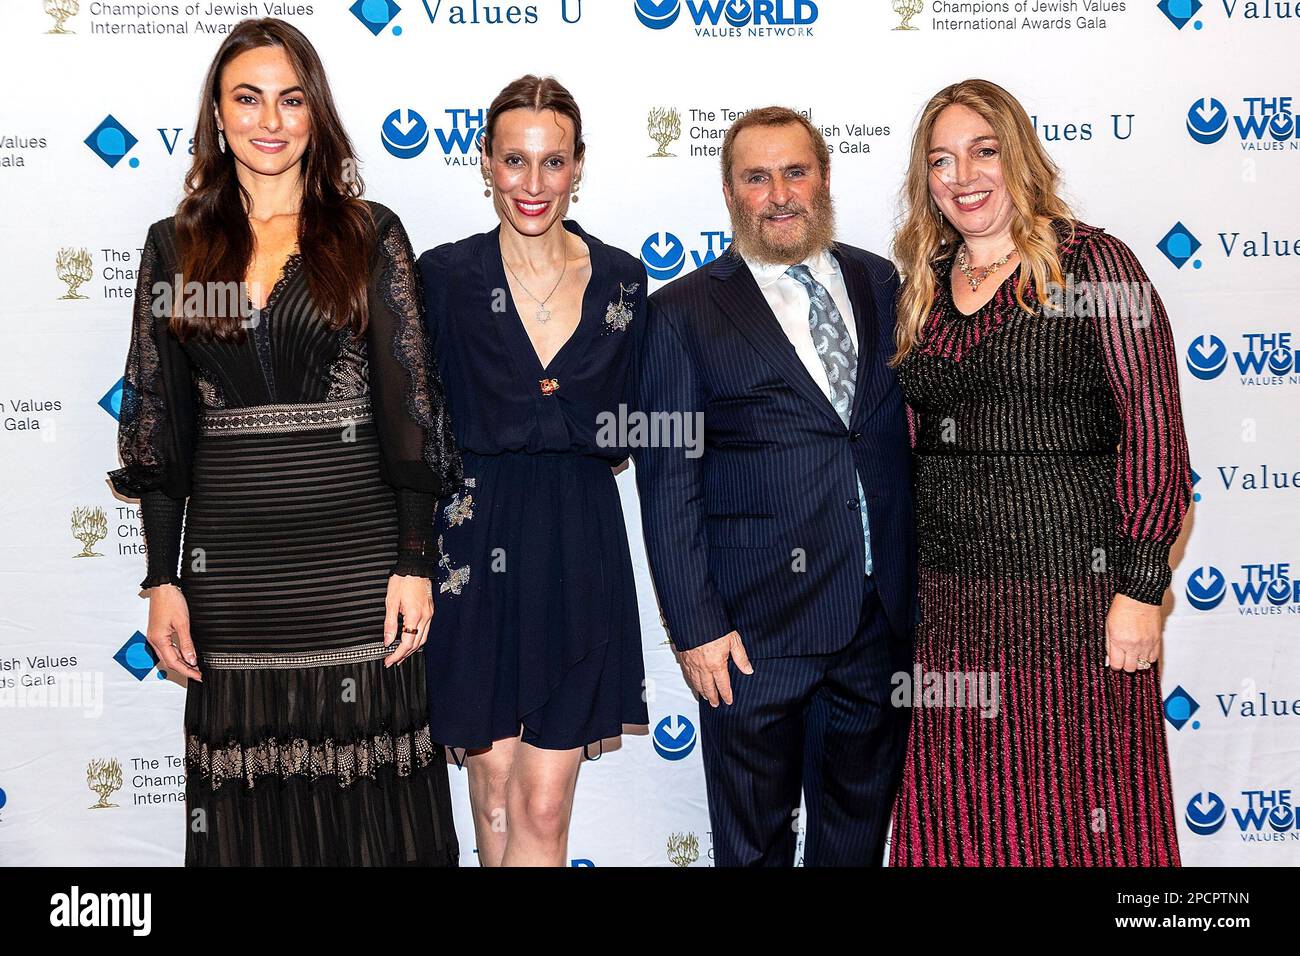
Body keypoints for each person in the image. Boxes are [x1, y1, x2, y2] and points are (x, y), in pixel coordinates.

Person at [106, 18, 462, 866]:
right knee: (248, 830)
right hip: (231, 585)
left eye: (291, 99)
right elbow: (162, 428)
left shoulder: (368, 232)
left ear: (316, 114)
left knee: (375, 825)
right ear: (218, 116)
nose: (270, 119)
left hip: (355, 572)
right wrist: (162, 578)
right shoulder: (178, 246)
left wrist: (415, 559)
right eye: (248, 98)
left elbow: (410, 409)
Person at [887, 79, 1191, 866]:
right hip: (954, 612)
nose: (963, 176)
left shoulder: (1093, 262)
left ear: (1017, 154)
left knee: (1086, 814)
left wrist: (1139, 588)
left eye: (983, 152)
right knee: (963, 821)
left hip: (1078, 605)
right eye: (941, 161)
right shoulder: (923, 284)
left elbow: (1156, 436)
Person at [635, 107, 916, 866]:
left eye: (796, 171)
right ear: (729, 192)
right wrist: (694, 627)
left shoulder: (880, 281)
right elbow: (668, 484)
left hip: (876, 618)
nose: (779, 193)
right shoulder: (682, 312)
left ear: (824, 178)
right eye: (757, 177)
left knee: (855, 837)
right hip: (753, 636)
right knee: (753, 845)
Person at [417, 75, 649, 867]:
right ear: (484, 160)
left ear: (580, 165)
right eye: (515, 161)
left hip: (579, 541)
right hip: (473, 545)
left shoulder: (623, 278)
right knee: (494, 802)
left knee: (543, 806)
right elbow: (416, 424)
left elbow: (627, 427)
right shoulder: (442, 278)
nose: (533, 184)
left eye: (553, 163)